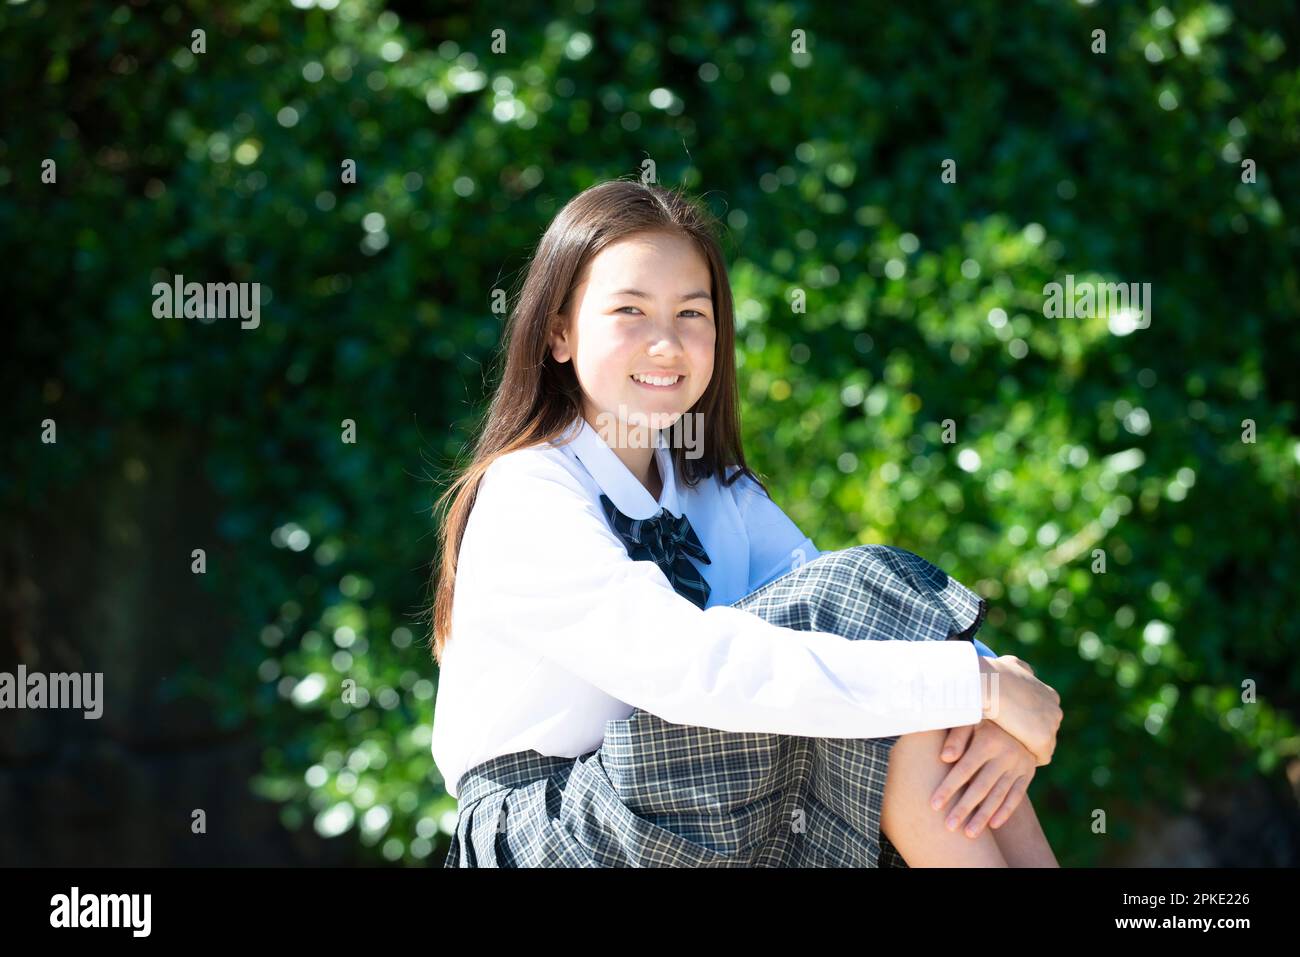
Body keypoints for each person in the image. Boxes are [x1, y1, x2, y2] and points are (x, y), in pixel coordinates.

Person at [429, 178, 1062, 867]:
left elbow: (858, 634)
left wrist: (996, 698)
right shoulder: (531, 490)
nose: (667, 343)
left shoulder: (713, 486)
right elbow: (694, 668)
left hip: (673, 792)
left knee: (889, 690)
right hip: (549, 830)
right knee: (881, 640)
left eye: (692, 314)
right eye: (630, 310)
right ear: (558, 333)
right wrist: (983, 686)